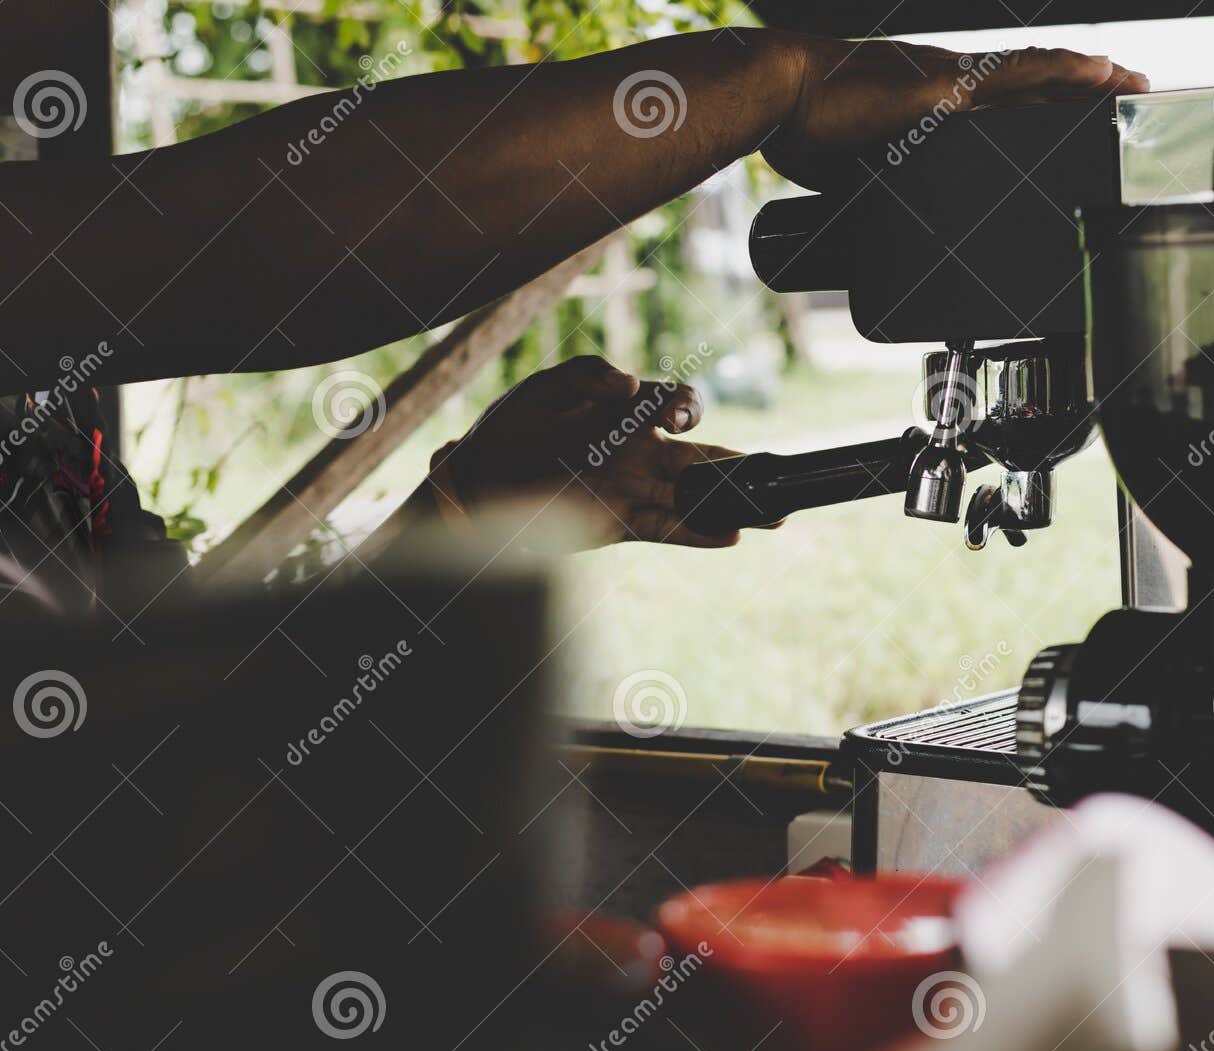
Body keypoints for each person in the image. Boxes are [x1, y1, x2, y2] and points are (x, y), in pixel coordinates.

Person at [0, 28, 1146, 613]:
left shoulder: (48, 459)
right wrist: (780, 83)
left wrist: (460, 513)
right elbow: (230, 244)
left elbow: (192, 728)